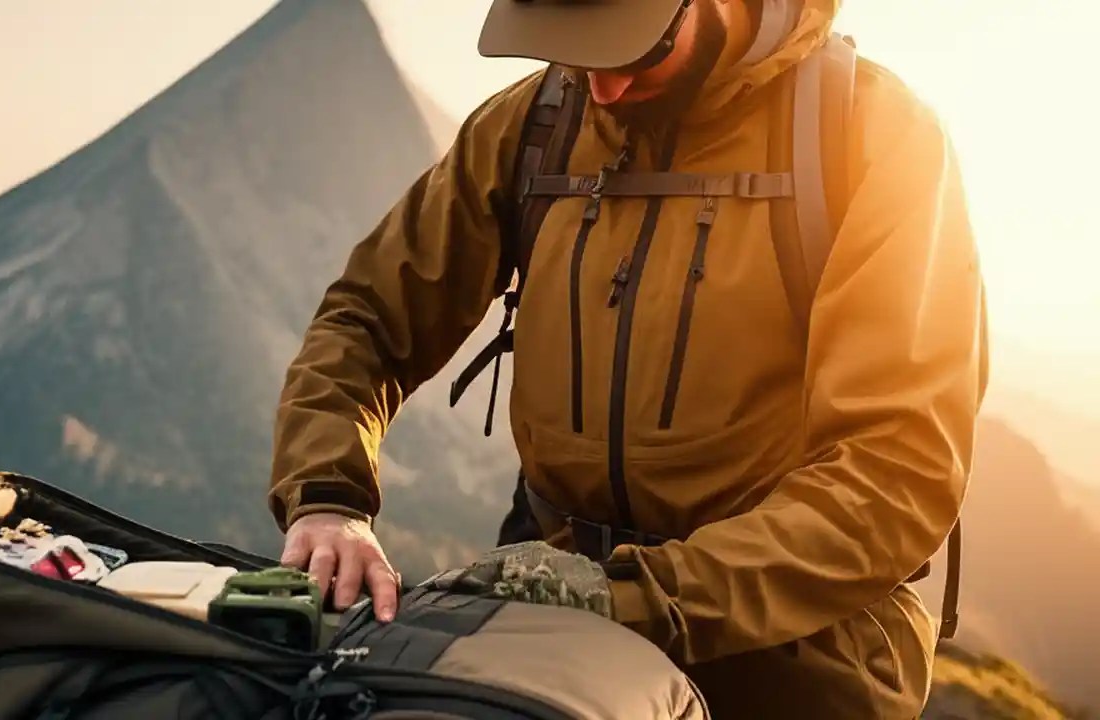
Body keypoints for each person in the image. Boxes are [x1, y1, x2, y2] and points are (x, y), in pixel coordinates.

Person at [267, 0, 988, 717]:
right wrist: (329, 497)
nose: (602, 87)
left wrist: (639, 597)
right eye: (578, 51)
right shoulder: (533, 126)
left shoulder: (870, 136)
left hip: (794, 651)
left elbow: (896, 471)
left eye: (635, 50)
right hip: (554, 618)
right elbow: (368, 316)